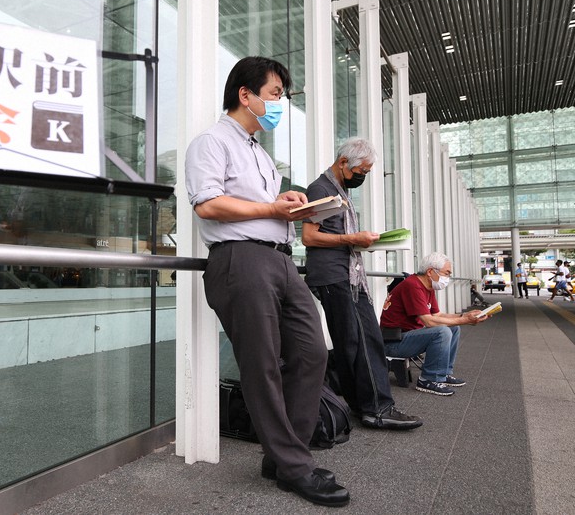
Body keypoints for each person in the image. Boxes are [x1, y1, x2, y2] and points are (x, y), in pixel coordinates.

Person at [185, 56, 348, 508]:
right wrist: (272, 209)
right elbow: (209, 205)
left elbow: (256, 206)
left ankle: (283, 456)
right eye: (276, 94)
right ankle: (294, 467)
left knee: (312, 350)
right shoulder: (211, 142)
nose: (280, 103)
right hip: (240, 259)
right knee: (262, 364)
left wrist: (286, 203)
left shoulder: (259, 153)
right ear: (246, 95)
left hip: (278, 259)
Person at [301, 137, 422, 432]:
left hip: (346, 277)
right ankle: (378, 409)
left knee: (352, 345)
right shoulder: (321, 189)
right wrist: (352, 240)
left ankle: (364, 407)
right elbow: (309, 237)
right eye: (362, 172)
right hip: (337, 278)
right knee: (367, 342)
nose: (363, 177)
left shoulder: (339, 189)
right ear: (344, 163)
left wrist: (363, 242)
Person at [380, 252, 489, 396]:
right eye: (447, 273)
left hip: (407, 337)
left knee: (453, 328)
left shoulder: (427, 287)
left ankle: (443, 374)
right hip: (393, 342)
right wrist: (465, 320)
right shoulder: (413, 286)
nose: (447, 278)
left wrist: (465, 316)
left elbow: (437, 315)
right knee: (442, 332)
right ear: (430, 272)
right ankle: (428, 379)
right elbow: (428, 320)